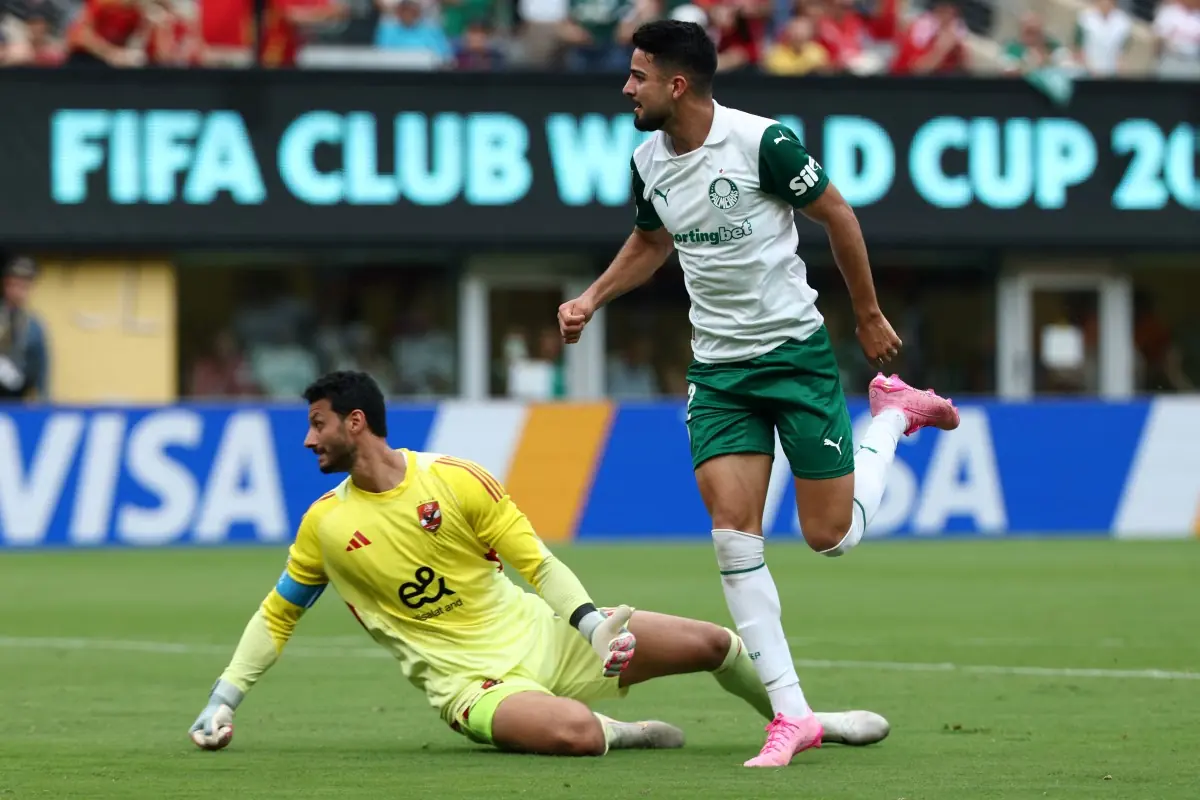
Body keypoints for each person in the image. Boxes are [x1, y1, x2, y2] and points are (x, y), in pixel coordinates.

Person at [556, 20, 959, 767]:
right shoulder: (648, 160)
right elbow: (651, 242)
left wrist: (868, 315)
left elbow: (838, 212)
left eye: (637, 75)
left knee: (829, 537)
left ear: (676, 85)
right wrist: (593, 297)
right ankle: (791, 713)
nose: (626, 88)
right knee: (732, 532)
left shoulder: (761, 142)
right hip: (719, 374)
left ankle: (893, 419)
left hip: (795, 359)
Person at [188, 371, 890, 757]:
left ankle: (799, 720)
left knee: (714, 643)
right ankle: (620, 730)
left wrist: (589, 626)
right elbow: (276, 616)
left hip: (548, 638)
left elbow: (536, 563)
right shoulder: (325, 526)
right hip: (473, 682)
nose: (306, 440)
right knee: (577, 736)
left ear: (356, 423)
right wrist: (224, 700)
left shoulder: (457, 480)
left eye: (316, 424)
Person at [0, 256, 50, 402]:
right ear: (5, 285)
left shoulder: (33, 326)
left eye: (24, 287)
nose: (17, 292)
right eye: (14, 285)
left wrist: (41, 400)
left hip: (17, 400)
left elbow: (41, 368)